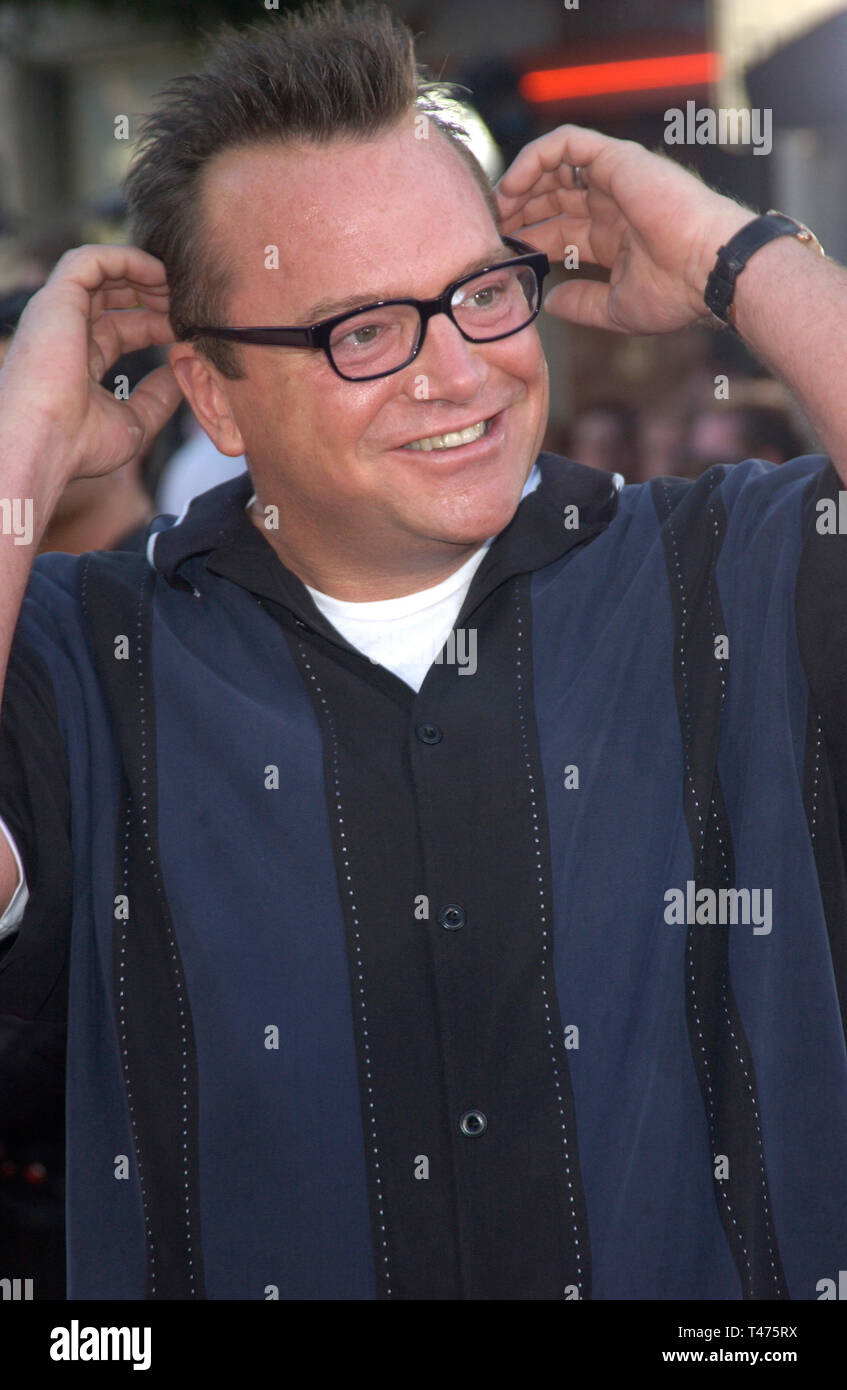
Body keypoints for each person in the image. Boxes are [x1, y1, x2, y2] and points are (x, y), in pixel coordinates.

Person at [0, 2, 845, 1301]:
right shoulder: (86, 663)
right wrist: (30, 430)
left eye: (480, 293)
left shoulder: (728, 573)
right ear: (213, 389)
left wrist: (740, 256)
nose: (458, 373)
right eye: (365, 328)